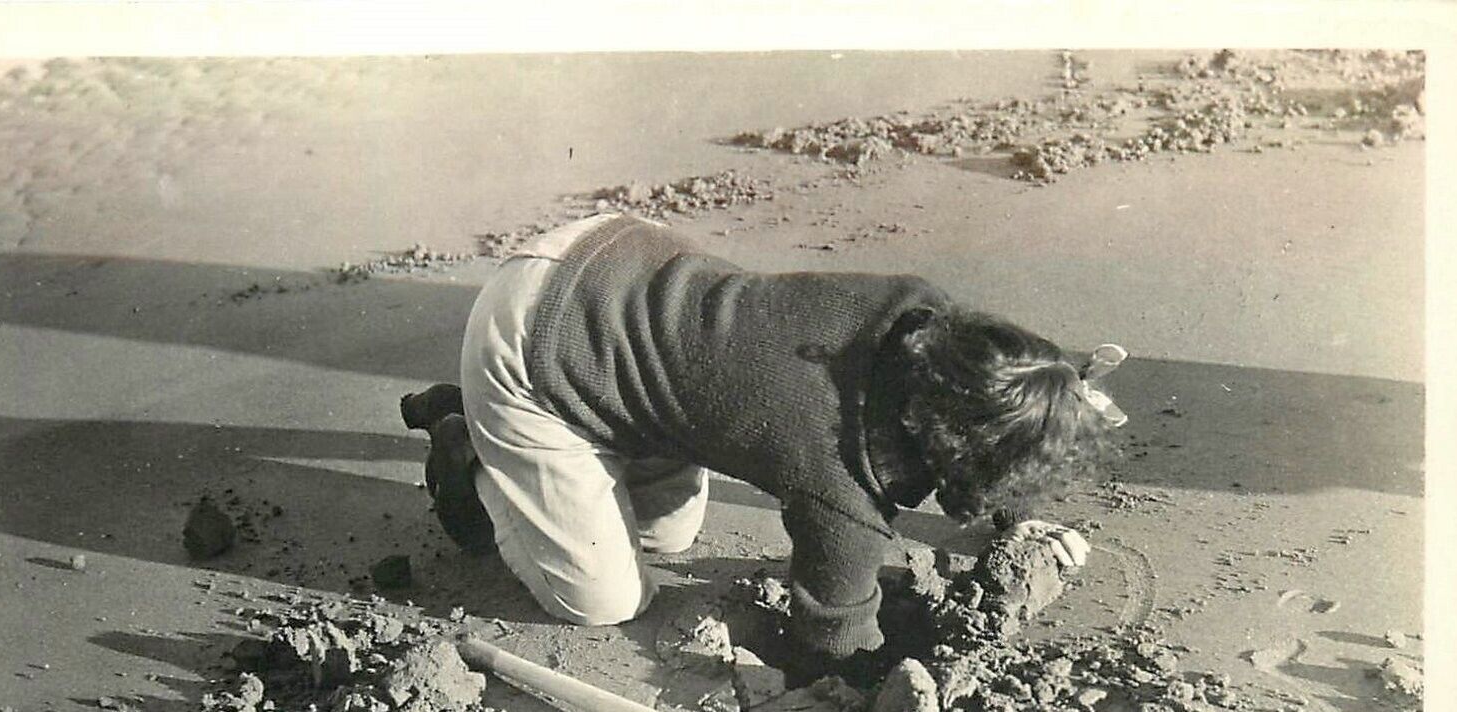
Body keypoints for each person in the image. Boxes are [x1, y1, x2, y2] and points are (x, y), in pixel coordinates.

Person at [401, 213, 1127, 682]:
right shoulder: (839, 478)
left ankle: (555, 435)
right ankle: (474, 446)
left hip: (619, 259)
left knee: (667, 533)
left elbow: (1005, 385)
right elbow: (833, 633)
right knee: (606, 599)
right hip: (532, 337)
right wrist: (883, 676)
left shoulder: (918, 315)